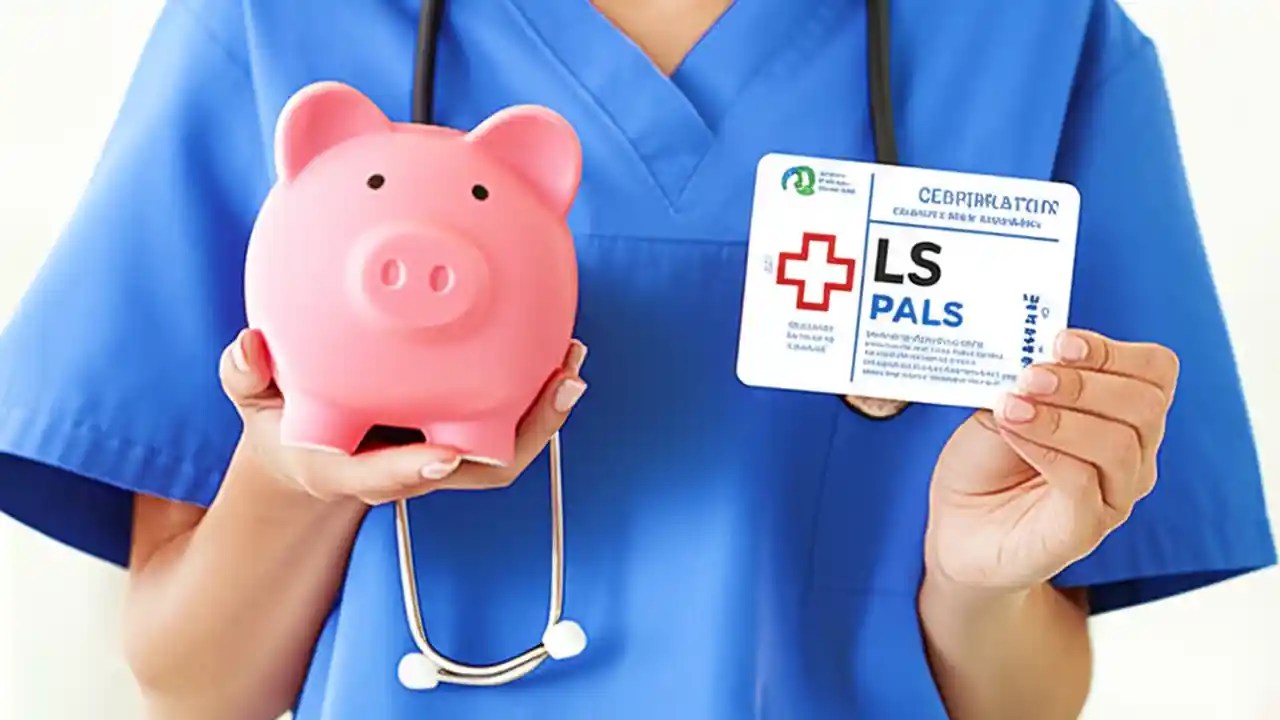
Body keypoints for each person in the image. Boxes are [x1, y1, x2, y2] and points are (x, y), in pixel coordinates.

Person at [0, 0, 1273, 718]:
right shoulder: (278, 22)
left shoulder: (1031, 37)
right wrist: (293, 483)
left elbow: (1025, 701)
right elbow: (196, 677)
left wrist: (972, 584)